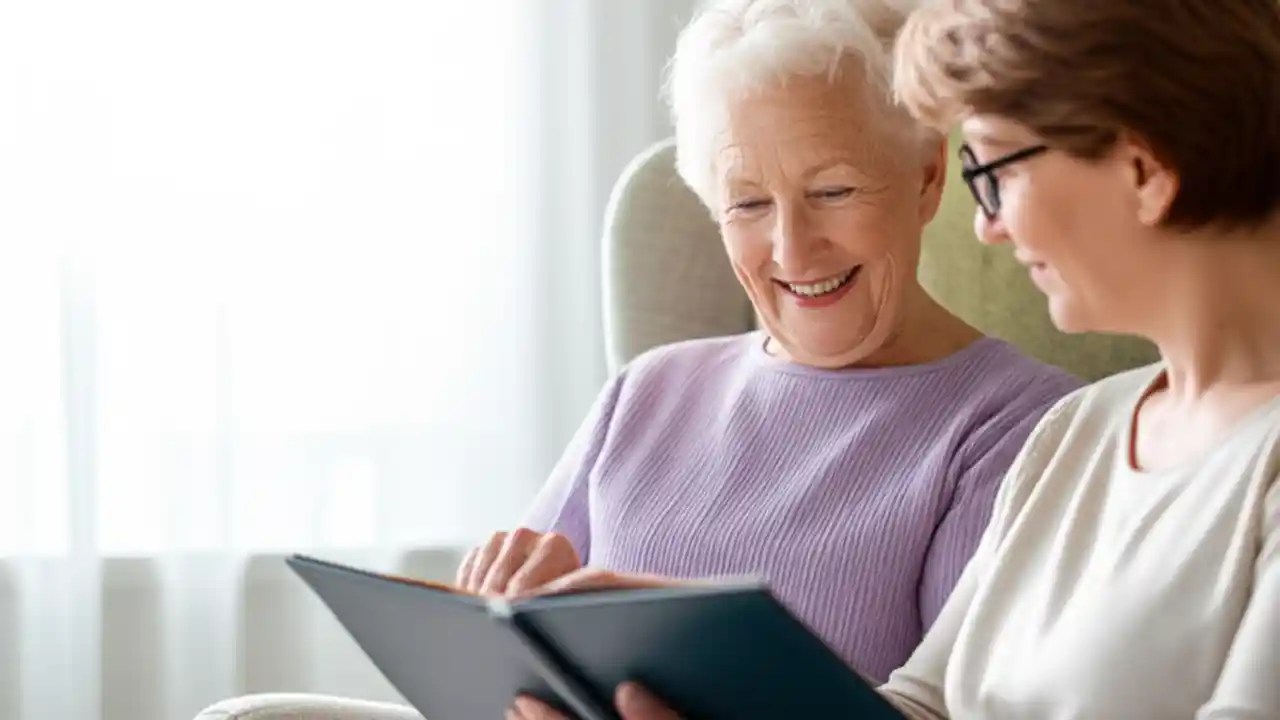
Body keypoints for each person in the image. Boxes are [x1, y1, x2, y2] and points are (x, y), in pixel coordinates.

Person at [511, 0, 1280, 717]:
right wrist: (701, 655)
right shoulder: (1081, 431)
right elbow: (915, 706)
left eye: (994, 172)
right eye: (746, 203)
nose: (987, 230)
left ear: (1143, 172)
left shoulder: (1035, 425)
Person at [464, 0, 1079, 686]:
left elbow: (963, 705)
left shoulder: (1025, 428)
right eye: (749, 204)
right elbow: (507, 661)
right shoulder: (645, 392)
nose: (793, 249)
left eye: (834, 190)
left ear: (928, 177)